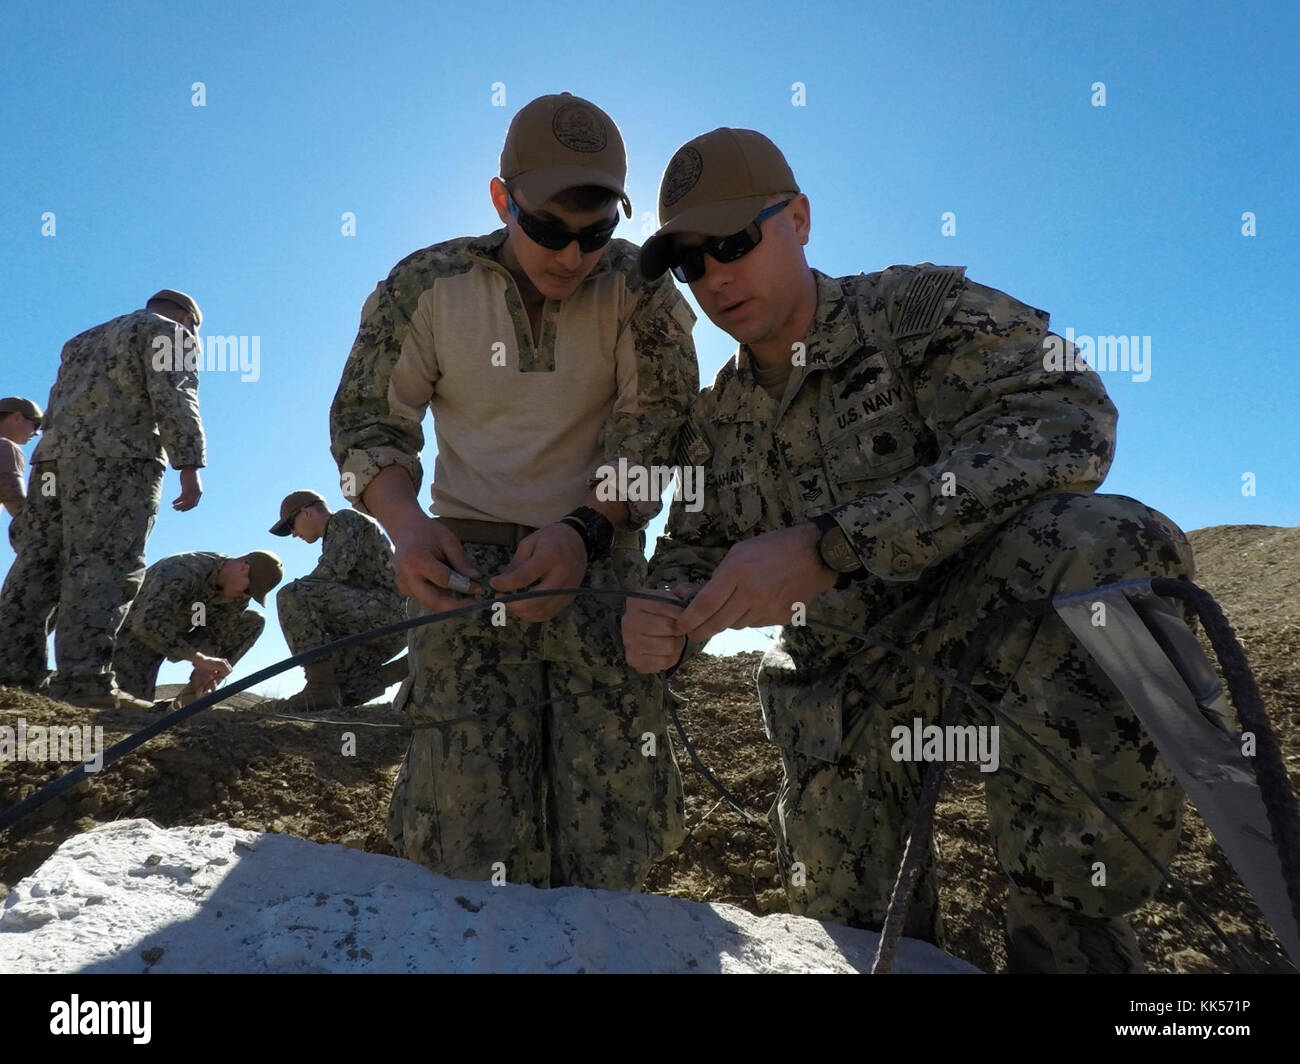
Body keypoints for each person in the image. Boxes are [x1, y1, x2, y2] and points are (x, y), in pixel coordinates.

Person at [623, 128, 1195, 973]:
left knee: (1105, 544)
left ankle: (1067, 929)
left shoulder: (916, 319)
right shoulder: (717, 423)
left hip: (990, 630)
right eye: (691, 263)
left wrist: (837, 545)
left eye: (736, 243)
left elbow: (1067, 417)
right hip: (840, 691)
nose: (716, 277)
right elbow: (693, 547)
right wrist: (668, 612)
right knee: (849, 940)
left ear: (801, 219)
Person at [329, 92, 699, 891]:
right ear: (503, 200)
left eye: (595, 234)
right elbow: (368, 422)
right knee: (463, 828)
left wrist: (581, 534)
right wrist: (405, 526)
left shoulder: (642, 289)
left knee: (611, 829)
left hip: (598, 558)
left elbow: (658, 434)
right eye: (549, 231)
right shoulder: (424, 286)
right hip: (462, 569)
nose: (573, 258)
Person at [0, 290, 207, 709]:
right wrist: (190, 463)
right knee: (104, 564)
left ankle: (12, 674)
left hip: (51, 464)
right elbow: (175, 395)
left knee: (39, 562)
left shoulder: (82, 340)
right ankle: (83, 682)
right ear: (187, 318)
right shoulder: (169, 332)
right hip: (118, 462)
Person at [269, 489, 408, 711]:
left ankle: (320, 688)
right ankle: (402, 669)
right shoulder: (337, 531)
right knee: (342, 686)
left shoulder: (344, 519)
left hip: (387, 611)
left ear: (306, 513)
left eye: (290, 526)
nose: (294, 534)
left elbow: (331, 572)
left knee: (291, 594)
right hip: (387, 624)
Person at [112, 549, 282, 708]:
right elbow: (146, 624)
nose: (246, 597)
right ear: (243, 568)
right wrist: (198, 658)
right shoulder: (181, 570)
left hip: (179, 635)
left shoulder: (236, 595)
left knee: (253, 620)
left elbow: (215, 632)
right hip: (134, 639)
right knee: (129, 707)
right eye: (248, 590)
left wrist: (204, 669)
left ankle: (190, 700)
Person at [0, 397, 43, 518]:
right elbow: (20, 511)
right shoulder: (5, 447)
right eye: (36, 425)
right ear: (17, 417)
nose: (36, 433)